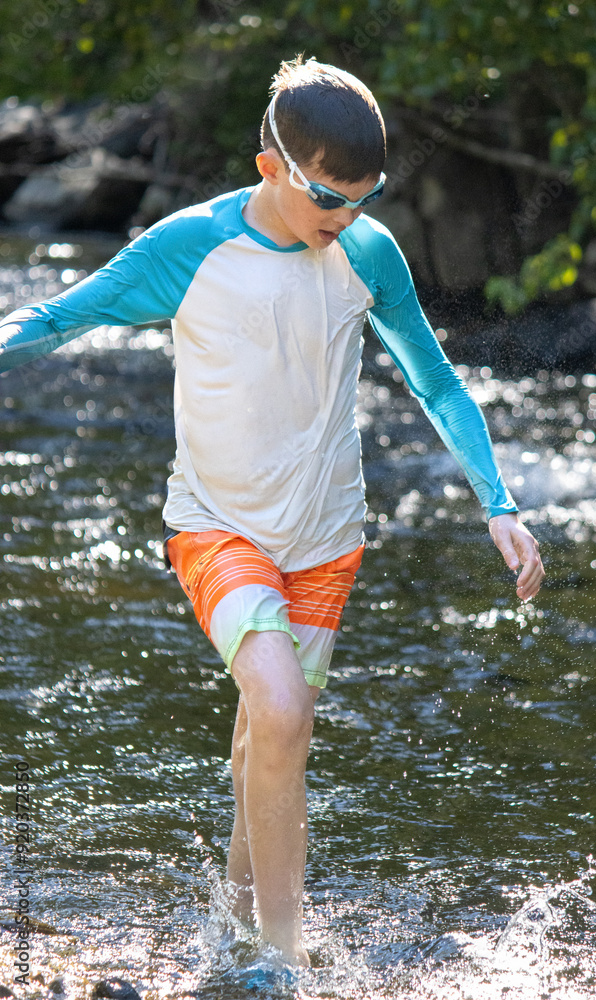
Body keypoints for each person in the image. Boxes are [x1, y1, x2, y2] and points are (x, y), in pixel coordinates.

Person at [0, 56, 544, 968]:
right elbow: (59, 315)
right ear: (272, 168)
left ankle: (233, 933)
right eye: (330, 198)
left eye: (364, 200)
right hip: (217, 524)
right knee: (284, 709)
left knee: (269, 729)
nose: (347, 219)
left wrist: (499, 504)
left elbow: (435, 381)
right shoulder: (189, 248)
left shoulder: (366, 253)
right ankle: (287, 966)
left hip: (328, 537)